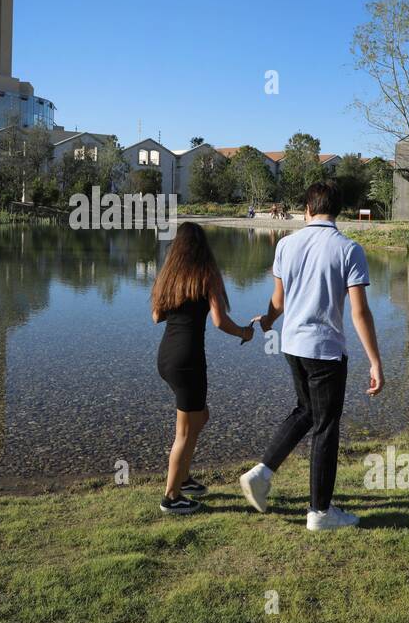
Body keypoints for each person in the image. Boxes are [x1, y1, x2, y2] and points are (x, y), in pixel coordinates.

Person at [239, 180, 385, 530]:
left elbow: (279, 300)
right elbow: (359, 312)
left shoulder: (287, 245)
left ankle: (261, 473)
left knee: (306, 410)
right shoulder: (349, 249)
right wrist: (376, 361)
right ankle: (320, 512)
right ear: (338, 211)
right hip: (325, 351)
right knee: (325, 426)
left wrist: (268, 321)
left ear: (307, 209)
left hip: (292, 346)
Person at [152, 221, 255, 514]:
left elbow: (156, 316)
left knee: (200, 416)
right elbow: (220, 321)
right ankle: (171, 497)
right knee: (183, 432)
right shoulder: (206, 275)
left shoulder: (168, 276)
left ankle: (183, 477)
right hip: (188, 360)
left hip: (167, 357)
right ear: (202, 247)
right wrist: (245, 334)